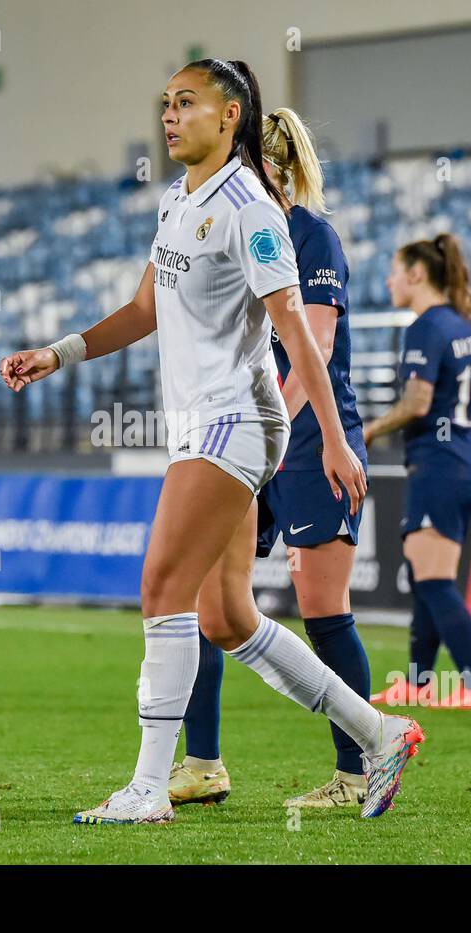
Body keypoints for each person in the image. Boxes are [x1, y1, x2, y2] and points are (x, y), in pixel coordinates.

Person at [0, 58, 422, 824]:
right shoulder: (175, 200)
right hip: (203, 424)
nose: (169, 116)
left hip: (239, 419)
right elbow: (142, 307)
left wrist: (332, 437)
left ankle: (148, 788)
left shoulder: (252, 208)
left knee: (162, 587)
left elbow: (296, 327)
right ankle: (378, 731)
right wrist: (56, 353)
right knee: (227, 617)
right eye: (165, 104)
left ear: (230, 117)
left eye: (186, 103)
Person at [169, 106, 375, 811]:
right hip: (252, 432)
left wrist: (262, 437)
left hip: (310, 435)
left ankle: (358, 770)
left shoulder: (312, 236)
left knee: (323, 608)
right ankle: (202, 762)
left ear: (270, 166)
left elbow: (307, 351)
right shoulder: (240, 230)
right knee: (208, 600)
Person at [363, 234, 471, 710]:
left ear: (417, 274)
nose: (388, 280)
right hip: (463, 465)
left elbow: (418, 402)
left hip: (438, 467)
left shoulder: (427, 327)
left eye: (394, 270)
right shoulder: (467, 328)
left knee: (431, 582)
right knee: (427, 572)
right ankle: (418, 683)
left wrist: (366, 432)